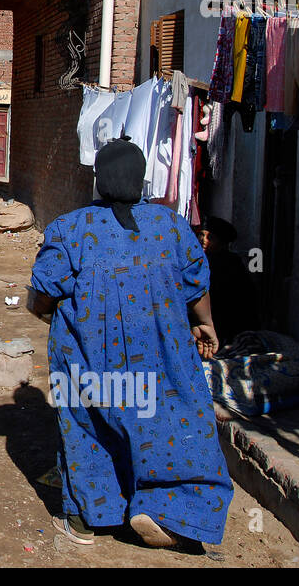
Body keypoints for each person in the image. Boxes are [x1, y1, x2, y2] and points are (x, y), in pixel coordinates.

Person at [27, 138, 232, 550]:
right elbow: (196, 284)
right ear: (141, 179)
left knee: (88, 421)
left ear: (99, 180)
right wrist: (205, 324)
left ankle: (88, 519)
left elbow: (43, 294)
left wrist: (44, 312)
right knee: (170, 418)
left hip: (89, 352)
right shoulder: (171, 225)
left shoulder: (70, 228)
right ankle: (165, 509)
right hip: (161, 349)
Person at [195, 216, 261, 347]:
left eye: (210, 238)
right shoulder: (201, 261)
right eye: (201, 235)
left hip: (226, 327)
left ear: (222, 243)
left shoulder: (228, 265)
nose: (203, 240)